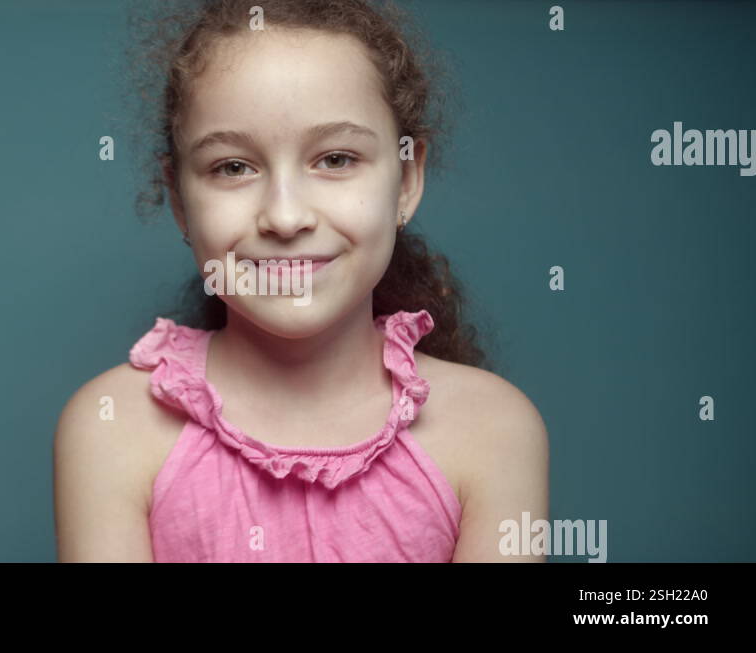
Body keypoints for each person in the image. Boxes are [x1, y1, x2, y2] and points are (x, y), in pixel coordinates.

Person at [55, 0, 548, 562]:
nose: (286, 218)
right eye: (233, 167)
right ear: (179, 201)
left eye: (335, 159)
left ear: (407, 179)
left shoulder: (493, 430)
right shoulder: (112, 427)